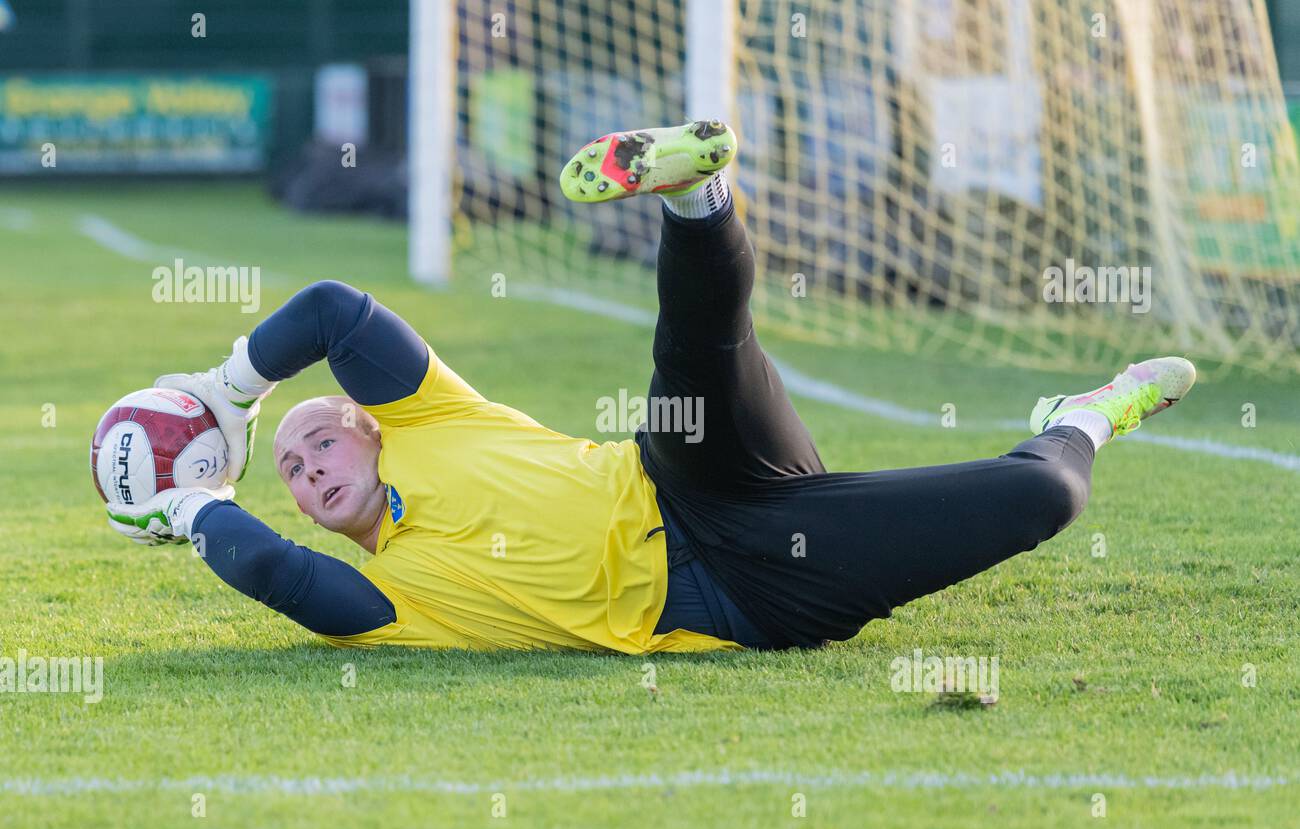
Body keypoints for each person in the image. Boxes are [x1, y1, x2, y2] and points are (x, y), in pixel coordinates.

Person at [106, 120, 1196, 653]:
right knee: (1041, 498)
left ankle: (694, 194)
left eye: (321, 442)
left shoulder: (429, 419)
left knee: (693, 359)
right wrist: (192, 502)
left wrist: (225, 391)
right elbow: (286, 583)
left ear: (372, 430)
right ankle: (1080, 415)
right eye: (291, 473)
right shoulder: (396, 599)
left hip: (684, 476)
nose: (307, 471)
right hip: (740, 598)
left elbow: (335, 309)